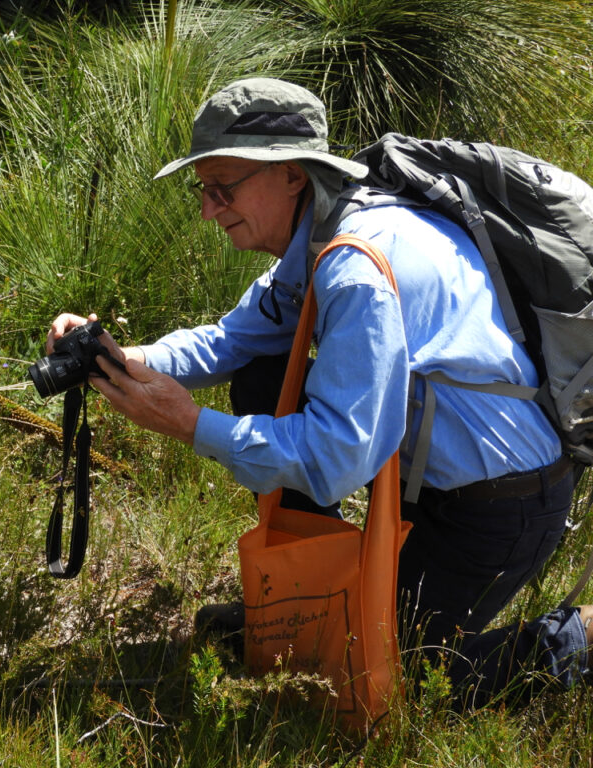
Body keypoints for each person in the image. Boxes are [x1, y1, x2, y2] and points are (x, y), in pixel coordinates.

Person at [47, 77, 592, 707]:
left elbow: (336, 459)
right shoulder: (325, 229)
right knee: (260, 369)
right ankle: (318, 598)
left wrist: (189, 423)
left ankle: (574, 639)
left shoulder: (357, 266)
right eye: (204, 188)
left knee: (386, 679)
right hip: (427, 486)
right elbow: (230, 341)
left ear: (292, 175)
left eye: (224, 188)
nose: (208, 209)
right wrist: (115, 356)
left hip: (499, 508)